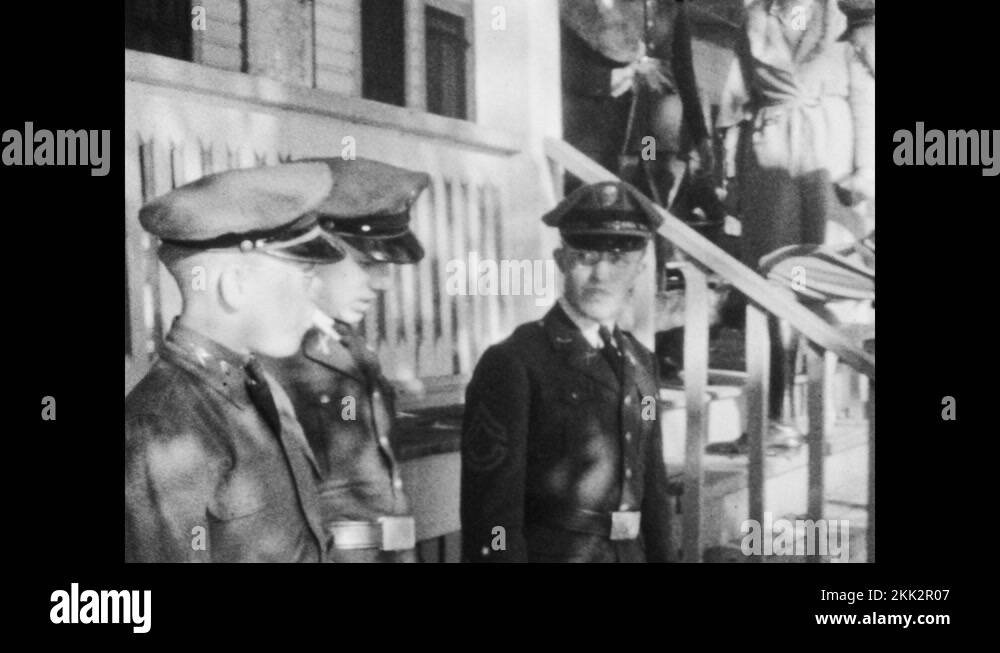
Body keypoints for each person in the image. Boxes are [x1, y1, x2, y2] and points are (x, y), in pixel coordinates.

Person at [124, 162, 345, 562]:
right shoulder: (163, 427)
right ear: (235, 286)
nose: (314, 306)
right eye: (302, 278)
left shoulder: (263, 390)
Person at [461, 181, 673, 563]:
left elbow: (654, 494)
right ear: (561, 261)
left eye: (619, 261)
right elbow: (491, 516)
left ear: (639, 269)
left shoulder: (642, 363)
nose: (601, 276)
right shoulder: (516, 362)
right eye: (586, 258)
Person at [716, 0, 874, 441]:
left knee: (825, 285)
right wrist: (729, 174)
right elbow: (733, 103)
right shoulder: (755, 18)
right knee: (772, 284)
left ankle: (820, 416)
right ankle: (774, 417)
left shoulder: (844, 19)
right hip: (771, 150)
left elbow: (865, 101)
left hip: (830, 160)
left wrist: (866, 171)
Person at [263, 158, 430, 563]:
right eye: (369, 264)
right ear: (314, 253)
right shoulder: (275, 359)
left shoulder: (351, 348)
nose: (383, 283)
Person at [560, 0, 713, 204]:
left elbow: (684, 72)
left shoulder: (671, 8)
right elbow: (563, 60)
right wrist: (605, 80)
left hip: (650, 132)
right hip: (602, 125)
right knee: (600, 195)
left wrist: (700, 135)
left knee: (651, 179)